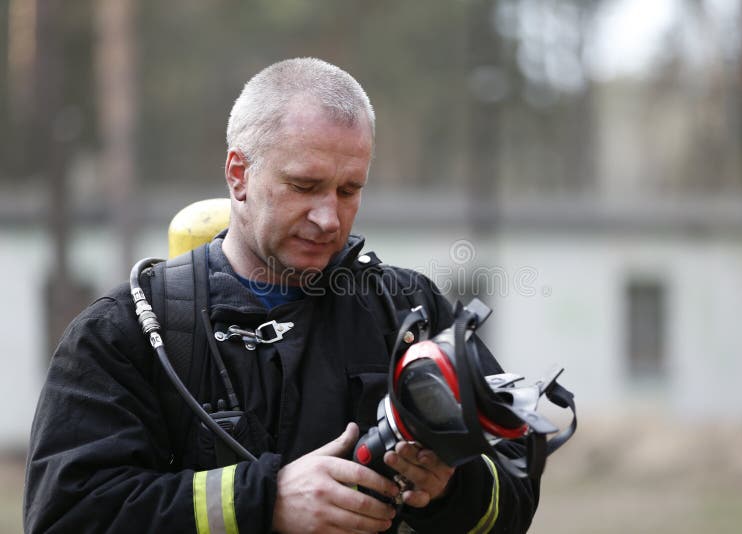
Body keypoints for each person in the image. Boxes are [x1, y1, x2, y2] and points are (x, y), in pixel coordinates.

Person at [24, 58, 537, 533]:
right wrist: (264, 500)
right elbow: (67, 515)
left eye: (348, 190)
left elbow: (514, 480)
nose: (328, 218)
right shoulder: (129, 330)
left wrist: (449, 489)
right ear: (238, 174)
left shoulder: (407, 310)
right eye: (304, 185)